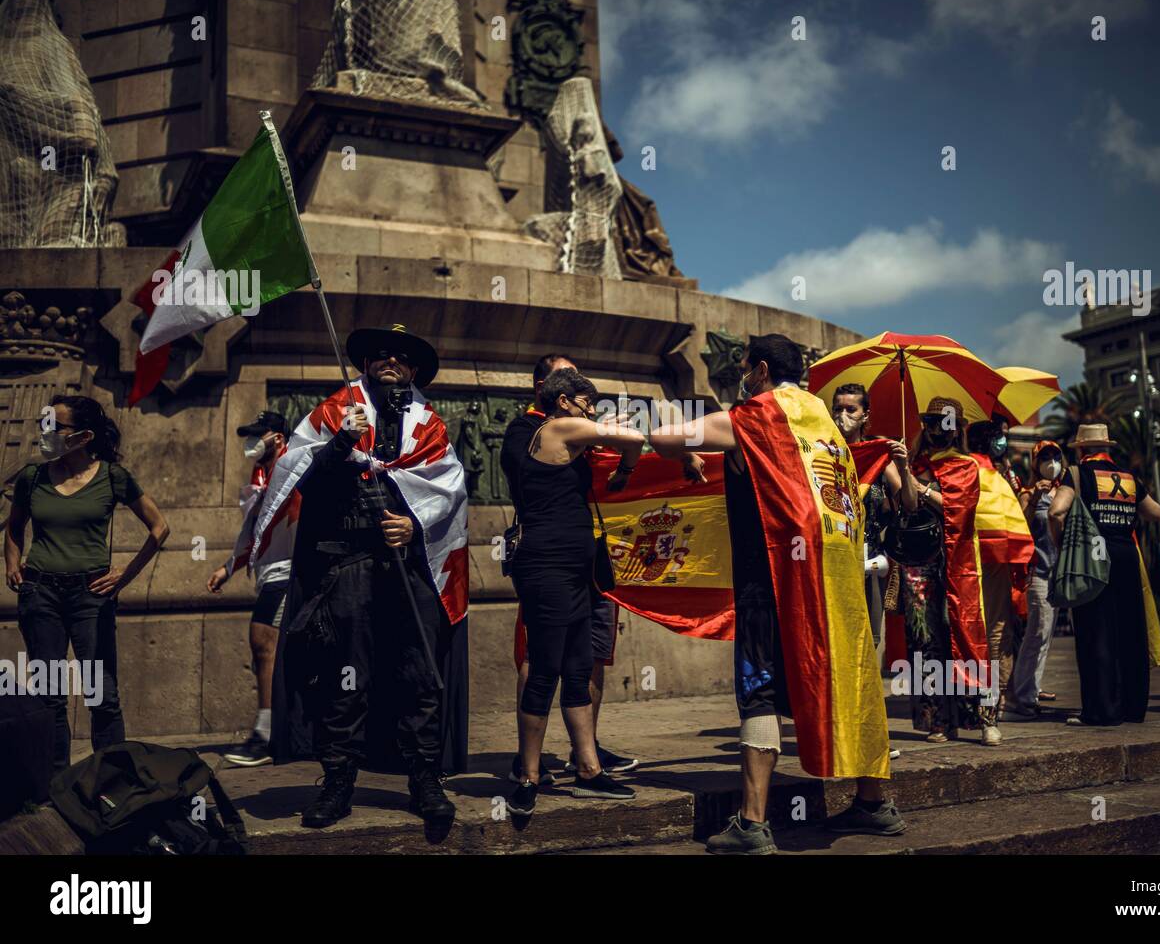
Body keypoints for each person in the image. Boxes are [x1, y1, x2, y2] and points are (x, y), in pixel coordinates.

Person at [651, 334, 904, 854]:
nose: (743, 376)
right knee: (855, 678)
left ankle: (751, 822)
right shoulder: (825, 422)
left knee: (759, 685)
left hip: (774, 578)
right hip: (837, 574)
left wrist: (685, 456)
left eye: (745, 368)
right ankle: (874, 802)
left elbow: (662, 436)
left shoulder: (751, 416)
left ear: (761, 369)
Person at [254, 323, 471, 828]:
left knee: (418, 676)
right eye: (380, 355)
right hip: (348, 565)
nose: (389, 361)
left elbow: (450, 493)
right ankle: (336, 785)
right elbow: (298, 474)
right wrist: (340, 443)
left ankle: (423, 783)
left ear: (413, 371)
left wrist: (412, 527)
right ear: (366, 365)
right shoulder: (334, 412)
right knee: (345, 679)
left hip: (408, 570)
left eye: (400, 356)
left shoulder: (432, 428)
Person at [505, 367, 645, 816]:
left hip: (574, 565)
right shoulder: (559, 425)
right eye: (588, 403)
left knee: (578, 662)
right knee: (545, 666)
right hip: (547, 565)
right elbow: (634, 440)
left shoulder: (549, 430)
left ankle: (588, 768)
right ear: (565, 401)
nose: (591, 412)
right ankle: (527, 775)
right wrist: (625, 466)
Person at [4, 395, 169, 773]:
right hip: (40, 593)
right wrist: (12, 564)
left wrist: (125, 575)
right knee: (49, 695)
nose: (44, 433)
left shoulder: (112, 476)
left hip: (90, 598)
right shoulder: (33, 477)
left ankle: (111, 782)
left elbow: (160, 528)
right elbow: (15, 527)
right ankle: (55, 787)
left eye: (54, 426)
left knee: (102, 695)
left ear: (83, 436)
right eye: (43, 424)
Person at [900, 398, 1001, 745]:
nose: (936, 429)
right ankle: (937, 720)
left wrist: (924, 487)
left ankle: (984, 717)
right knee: (925, 639)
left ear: (956, 429)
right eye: (930, 422)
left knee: (967, 633)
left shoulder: (967, 466)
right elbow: (906, 505)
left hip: (959, 561)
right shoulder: (913, 463)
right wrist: (903, 471)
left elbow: (958, 508)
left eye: (944, 423)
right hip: (919, 561)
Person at [1048, 423, 1160, 726]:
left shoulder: (1076, 474)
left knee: (1096, 634)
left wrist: (1063, 545)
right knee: (1130, 632)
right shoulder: (1127, 477)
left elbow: (1055, 512)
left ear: (1081, 448)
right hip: (1127, 557)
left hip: (1094, 559)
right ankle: (1133, 706)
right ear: (1108, 448)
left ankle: (1101, 711)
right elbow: (1155, 512)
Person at [206, 411, 295, 766]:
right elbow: (255, 533)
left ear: (277, 436)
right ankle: (282, 730)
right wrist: (228, 568)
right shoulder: (261, 475)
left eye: (257, 434)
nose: (250, 441)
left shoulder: (290, 469)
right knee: (274, 650)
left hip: (289, 571)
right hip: (270, 571)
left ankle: (265, 733)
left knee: (263, 643)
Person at [831, 382, 913, 760]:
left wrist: (903, 465)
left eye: (851, 409)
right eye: (837, 408)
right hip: (832, 568)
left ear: (866, 415)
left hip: (872, 569)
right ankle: (839, 733)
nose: (842, 416)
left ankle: (869, 735)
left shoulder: (878, 455)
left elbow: (909, 503)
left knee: (870, 651)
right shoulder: (823, 451)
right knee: (836, 652)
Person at [966, 418, 1031, 717]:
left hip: (974, 559)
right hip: (995, 560)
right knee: (997, 628)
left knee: (981, 627)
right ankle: (997, 697)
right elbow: (1009, 518)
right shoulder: (988, 474)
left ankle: (987, 694)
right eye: (1000, 438)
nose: (1004, 442)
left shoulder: (973, 470)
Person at [1007, 440, 1065, 716]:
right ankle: (1022, 695)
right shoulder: (1029, 493)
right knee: (1037, 632)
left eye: (1056, 457)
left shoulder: (1064, 492)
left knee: (1046, 637)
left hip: (1060, 573)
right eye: (1045, 458)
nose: (1051, 463)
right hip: (1039, 573)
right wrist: (1033, 499)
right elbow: (1021, 526)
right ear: (1035, 463)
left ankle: (1032, 689)